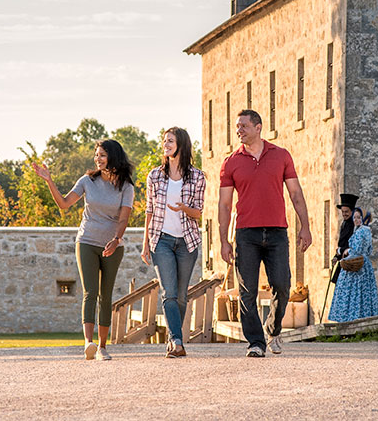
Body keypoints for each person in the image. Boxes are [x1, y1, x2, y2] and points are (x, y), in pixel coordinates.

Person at [219, 109, 312, 357]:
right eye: (237, 126)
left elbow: (295, 194)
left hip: (277, 232)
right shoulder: (231, 162)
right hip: (246, 234)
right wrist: (223, 241)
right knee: (246, 290)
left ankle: (273, 330)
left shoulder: (280, 155)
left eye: (243, 126)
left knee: (282, 285)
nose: (238, 130)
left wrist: (306, 226)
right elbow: (225, 204)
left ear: (258, 127)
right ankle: (256, 343)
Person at [34, 139, 134, 361]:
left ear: (113, 157)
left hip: (113, 246)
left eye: (102, 155)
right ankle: (89, 343)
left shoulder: (126, 186)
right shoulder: (87, 181)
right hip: (87, 241)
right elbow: (64, 203)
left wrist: (116, 240)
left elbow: (124, 218)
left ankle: (103, 347)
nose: (97, 159)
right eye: (96, 155)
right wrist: (49, 181)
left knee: (105, 295)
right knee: (90, 292)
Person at [141, 127, 205, 358]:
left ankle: (173, 338)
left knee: (181, 295)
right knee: (168, 292)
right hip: (162, 240)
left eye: (171, 141)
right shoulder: (154, 176)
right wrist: (145, 243)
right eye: (164, 141)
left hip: (187, 242)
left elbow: (198, 213)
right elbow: (149, 211)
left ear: (182, 145)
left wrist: (184, 209)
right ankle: (177, 342)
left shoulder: (197, 176)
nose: (166, 144)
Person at [327, 208, 378, 322]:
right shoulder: (365, 230)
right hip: (365, 265)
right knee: (363, 292)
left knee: (351, 291)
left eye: (359, 217)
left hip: (357, 264)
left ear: (363, 218)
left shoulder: (362, 231)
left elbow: (357, 250)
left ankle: (351, 319)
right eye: (354, 217)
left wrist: (343, 251)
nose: (356, 220)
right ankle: (362, 318)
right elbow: (369, 250)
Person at [330, 193, 358, 285]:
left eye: (346, 212)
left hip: (350, 263)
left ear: (352, 211)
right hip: (343, 260)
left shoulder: (353, 225)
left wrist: (340, 250)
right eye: (343, 212)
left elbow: (351, 245)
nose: (344, 214)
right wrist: (336, 257)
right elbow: (342, 243)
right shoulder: (344, 223)